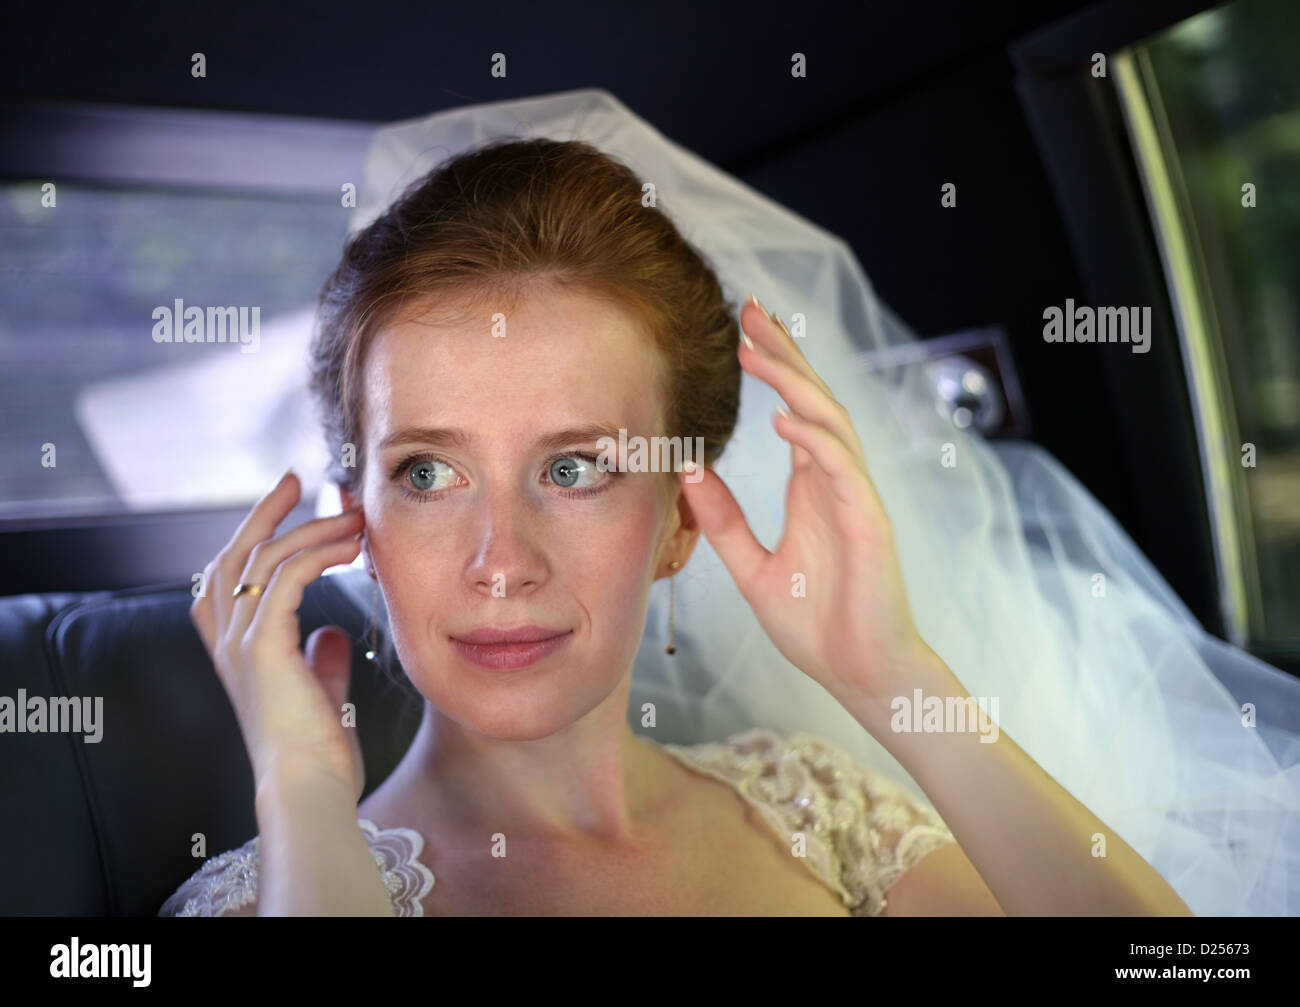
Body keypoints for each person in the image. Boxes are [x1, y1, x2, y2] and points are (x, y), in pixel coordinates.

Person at [160, 90, 1299, 917]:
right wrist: (304, 795)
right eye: (427, 472)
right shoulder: (265, 892)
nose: (499, 561)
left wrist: (891, 674)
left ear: (681, 521)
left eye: (575, 468)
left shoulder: (822, 806)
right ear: (356, 516)